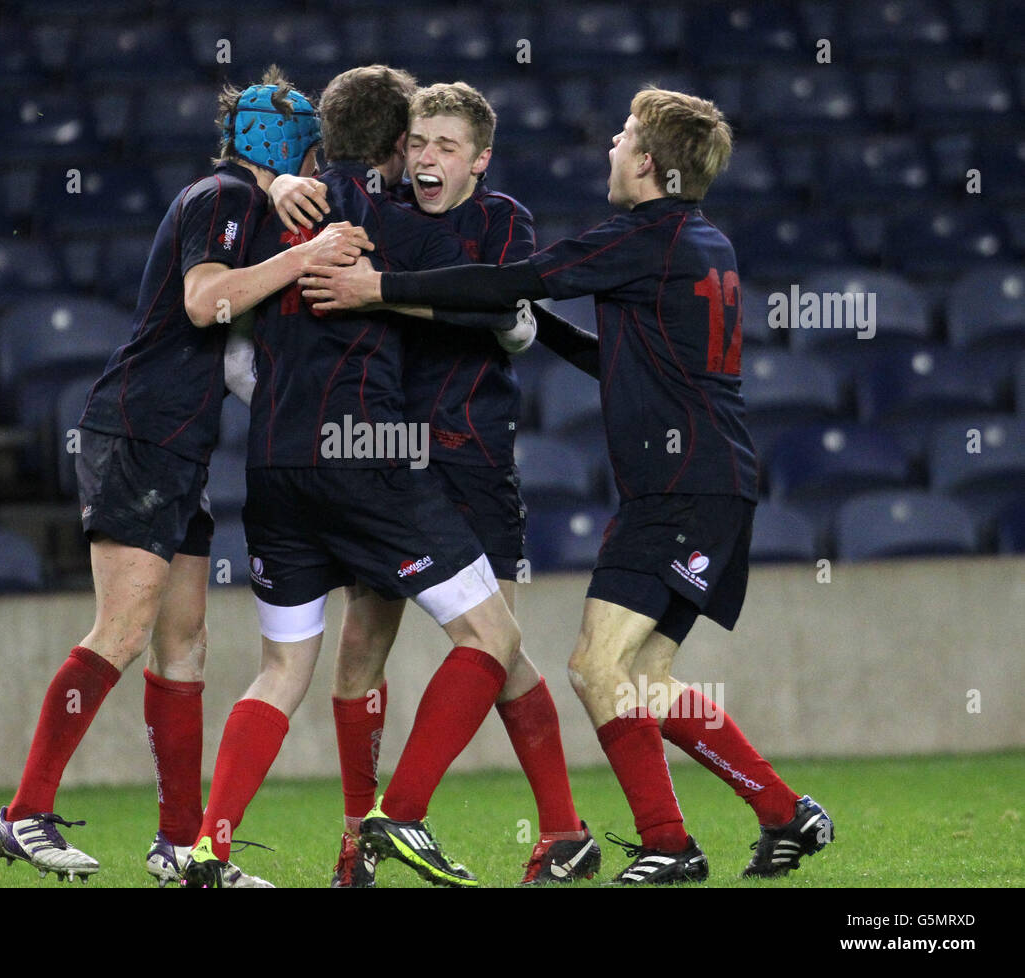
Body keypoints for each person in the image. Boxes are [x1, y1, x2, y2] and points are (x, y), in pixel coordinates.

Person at [301, 85, 835, 884]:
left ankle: (668, 844)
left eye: (622, 137)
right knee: (644, 679)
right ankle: (784, 812)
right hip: (712, 479)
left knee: (595, 667)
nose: (610, 149)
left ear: (650, 165)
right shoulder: (703, 239)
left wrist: (378, 290)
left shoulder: (640, 236)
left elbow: (511, 278)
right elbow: (616, 357)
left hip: (680, 486)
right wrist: (537, 326)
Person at [0, 66, 372, 886]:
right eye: (308, 139)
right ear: (280, 141)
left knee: (185, 644)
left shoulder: (247, 209)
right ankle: (24, 813)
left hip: (179, 445)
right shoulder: (225, 197)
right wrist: (307, 252)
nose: (317, 156)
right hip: (139, 431)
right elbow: (206, 303)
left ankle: (178, 844)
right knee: (121, 633)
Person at [182, 65, 526, 889]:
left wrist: (289, 187)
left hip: (271, 466)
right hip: (366, 458)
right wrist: (385, 289)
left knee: (282, 670)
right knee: (493, 638)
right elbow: (497, 305)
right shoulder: (384, 216)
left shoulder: (266, 213)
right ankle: (397, 814)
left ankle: (207, 850)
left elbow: (223, 322)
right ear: (397, 149)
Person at [275, 81, 597, 888]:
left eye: (446, 147)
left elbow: (489, 302)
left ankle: (556, 830)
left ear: (480, 160)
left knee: (498, 650)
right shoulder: (374, 214)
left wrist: (382, 294)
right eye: (418, 142)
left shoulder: (502, 220)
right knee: (361, 648)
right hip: (386, 457)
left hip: (476, 455)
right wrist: (279, 181)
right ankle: (362, 840)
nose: (426, 158)